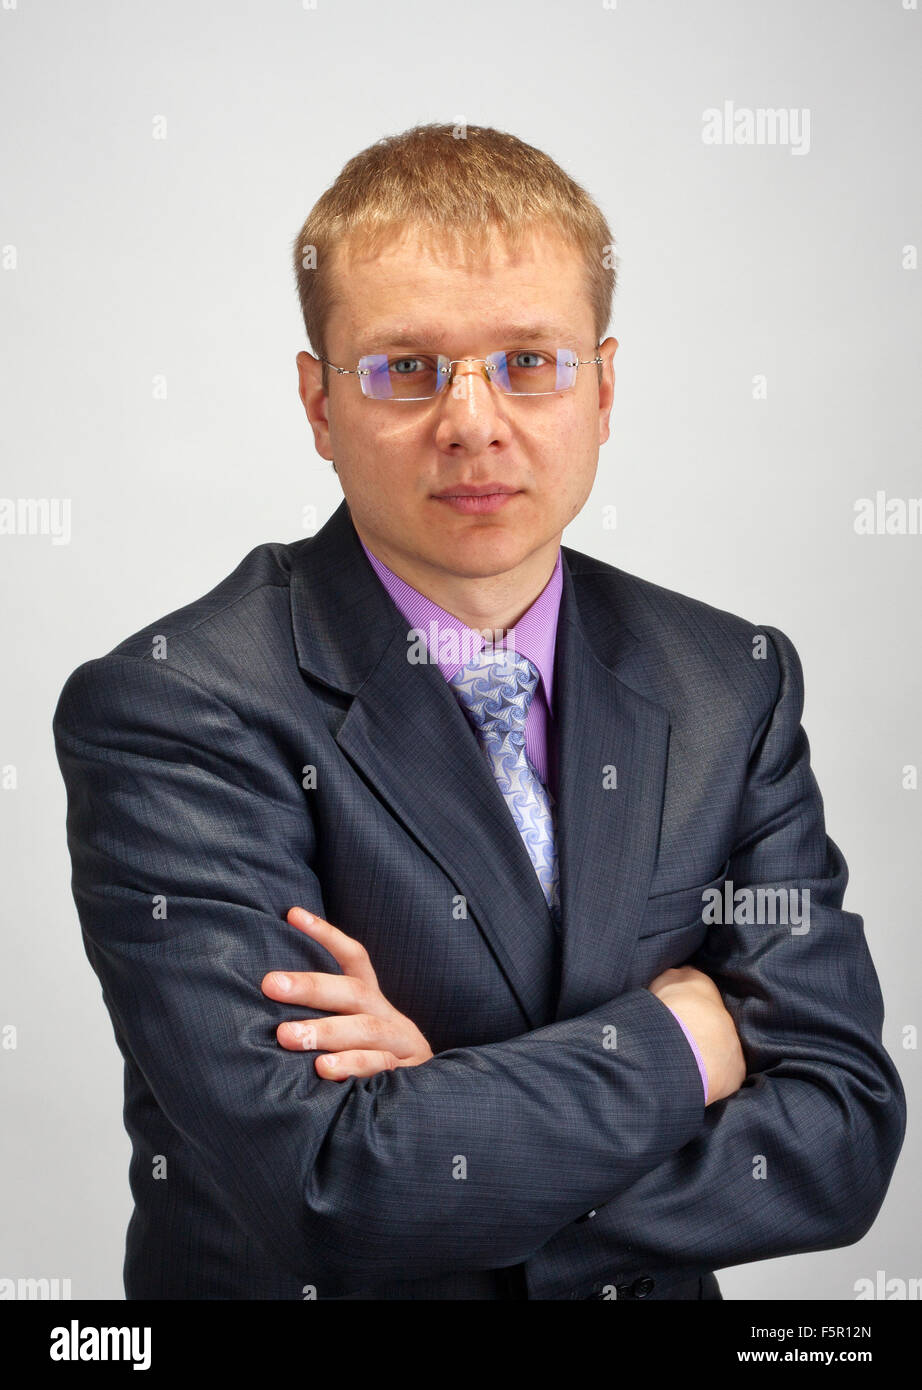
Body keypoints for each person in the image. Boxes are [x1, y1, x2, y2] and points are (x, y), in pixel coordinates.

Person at [53, 123, 905, 1301]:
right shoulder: (174, 705)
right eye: (404, 369)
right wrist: (685, 1039)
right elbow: (328, 1189)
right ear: (317, 402)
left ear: (603, 387)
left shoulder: (729, 682)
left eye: (528, 361)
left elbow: (838, 1132)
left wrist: (438, 1107)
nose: (472, 422)